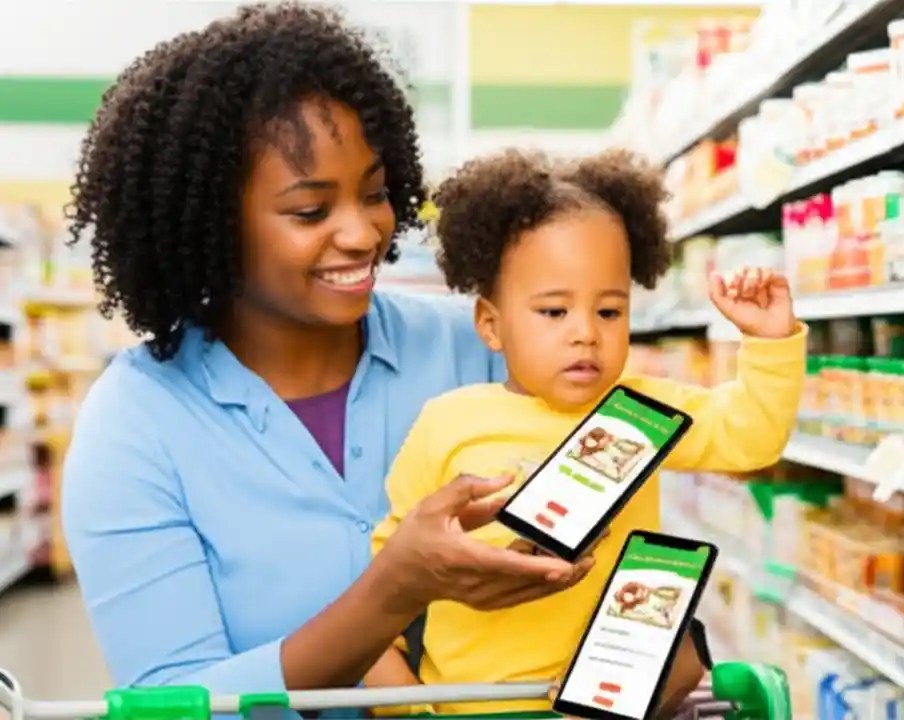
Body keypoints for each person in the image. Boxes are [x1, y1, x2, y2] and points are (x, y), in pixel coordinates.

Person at [58, 2, 594, 704]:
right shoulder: (136, 423)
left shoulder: (483, 346)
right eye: (310, 211)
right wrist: (393, 592)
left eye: (374, 193)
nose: (363, 233)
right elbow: (172, 700)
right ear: (211, 224)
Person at [367, 148, 808, 716]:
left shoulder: (642, 412)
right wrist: (403, 703)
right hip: (470, 707)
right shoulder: (447, 423)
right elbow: (392, 568)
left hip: (612, 702)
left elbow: (751, 437)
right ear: (491, 325)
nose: (585, 335)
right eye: (554, 312)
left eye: (609, 312)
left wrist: (770, 342)